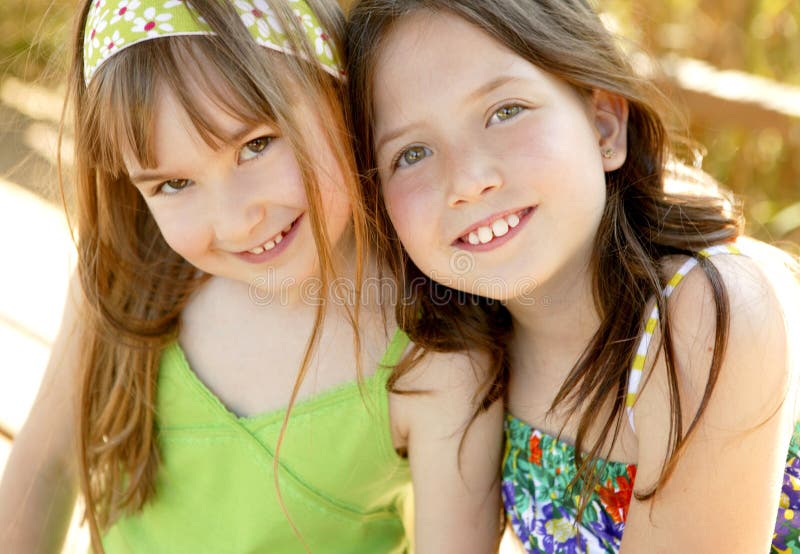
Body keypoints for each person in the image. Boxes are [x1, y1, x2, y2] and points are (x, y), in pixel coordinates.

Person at [0, 1, 505, 552]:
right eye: (173, 184)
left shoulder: (436, 358)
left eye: (256, 145)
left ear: (339, 91)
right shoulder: (126, 278)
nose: (235, 220)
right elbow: (43, 472)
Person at [345, 0, 800, 551]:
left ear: (603, 125)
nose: (467, 180)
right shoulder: (467, 356)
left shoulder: (707, 312)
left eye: (505, 111)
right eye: (412, 153)